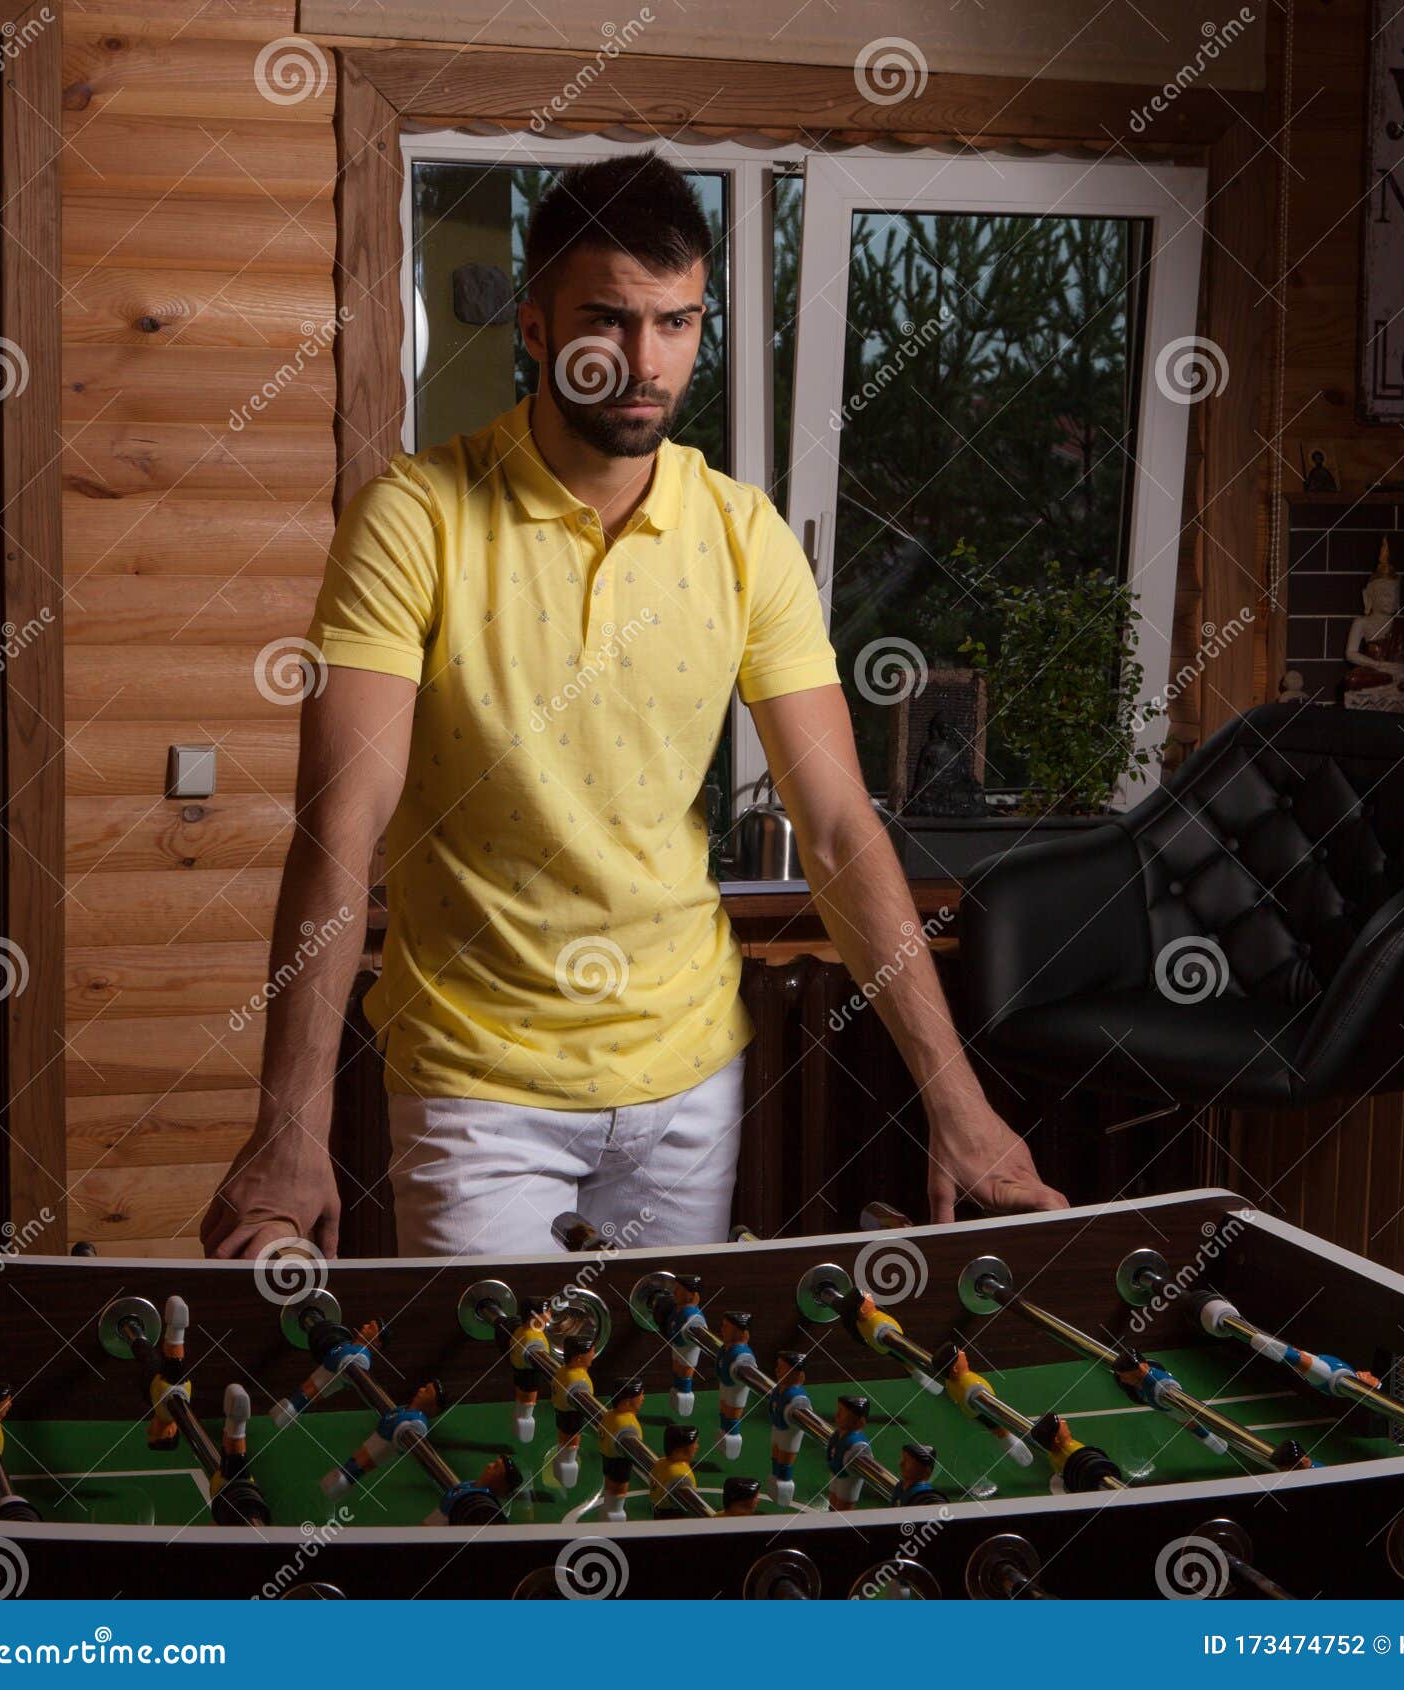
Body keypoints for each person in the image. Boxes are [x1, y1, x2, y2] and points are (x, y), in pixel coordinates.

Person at [198, 146, 1065, 1263]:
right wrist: (289, 1129)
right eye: (608, 320)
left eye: (678, 323)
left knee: (655, 1419)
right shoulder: (414, 518)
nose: (644, 362)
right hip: (476, 1085)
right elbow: (338, 829)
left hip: (689, 1080)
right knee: (493, 1414)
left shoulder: (746, 536)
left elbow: (843, 831)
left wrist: (960, 1104)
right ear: (535, 326)